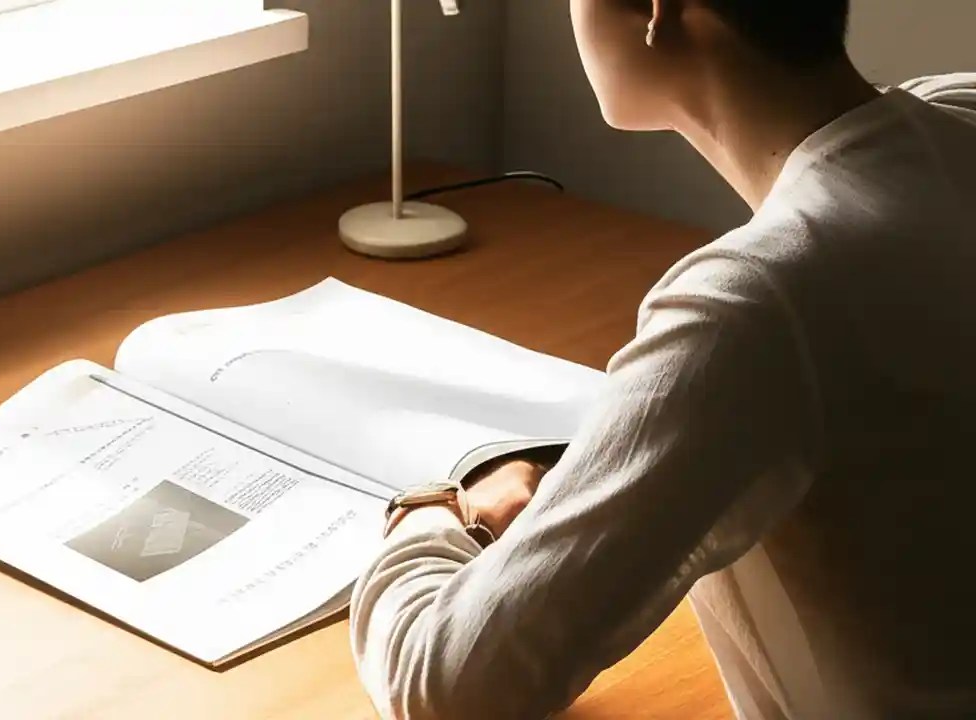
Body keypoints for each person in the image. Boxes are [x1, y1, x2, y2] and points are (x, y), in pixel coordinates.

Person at [350, 0, 976, 718]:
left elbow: (445, 688)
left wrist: (433, 513)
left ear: (656, 10)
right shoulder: (960, 113)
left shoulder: (759, 305)